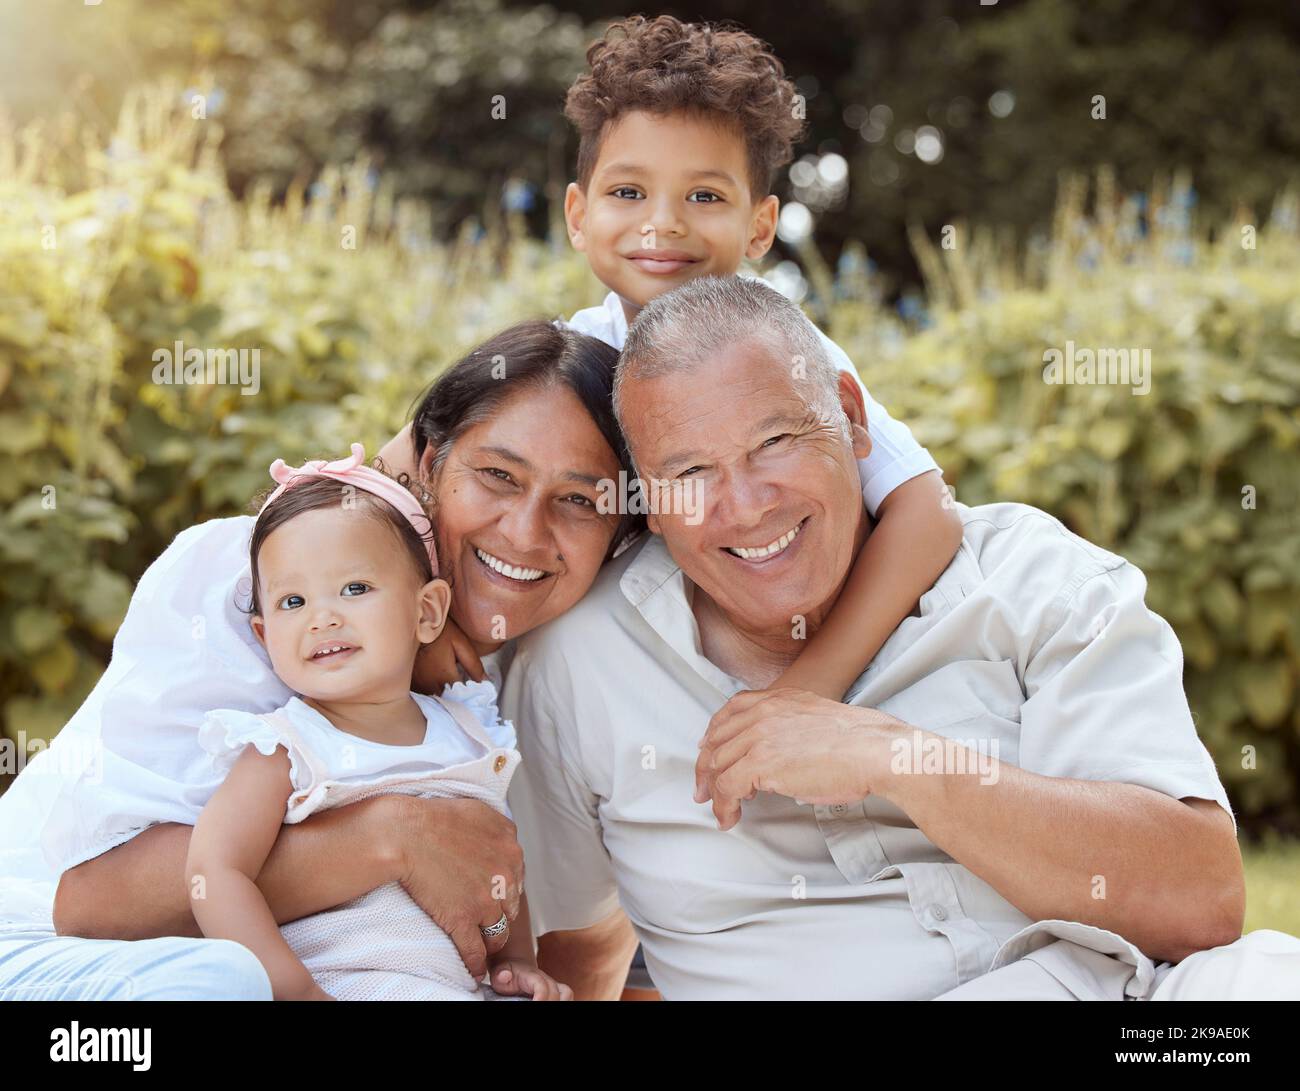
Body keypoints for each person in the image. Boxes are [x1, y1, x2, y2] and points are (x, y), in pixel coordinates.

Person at [502, 274, 1300, 1001]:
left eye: (775, 441)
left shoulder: (1030, 578)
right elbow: (577, 955)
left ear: (851, 418)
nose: (744, 507)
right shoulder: (579, 664)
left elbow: (1202, 897)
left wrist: (898, 759)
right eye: (689, 474)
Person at [0, 321, 631, 1000]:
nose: (525, 530)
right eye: (497, 475)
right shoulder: (254, 583)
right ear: (427, 460)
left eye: (578, 500)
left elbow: (577, 943)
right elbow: (92, 905)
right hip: (55, 958)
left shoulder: (518, 691)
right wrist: (393, 836)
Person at [556, 13, 965, 703]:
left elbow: (929, 514)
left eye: (705, 195)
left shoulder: (782, 355)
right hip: (613, 685)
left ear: (760, 226)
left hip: (763, 670)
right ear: (577, 215)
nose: (664, 222)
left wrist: (807, 691)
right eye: (629, 192)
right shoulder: (561, 359)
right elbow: (415, 469)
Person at [186, 444, 569, 1001]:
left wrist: (515, 963)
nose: (323, 617)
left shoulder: (468, 731)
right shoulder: (286, 746)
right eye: (293, 601)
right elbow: (214, 871)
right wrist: (291, 989)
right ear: (266, 637)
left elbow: (499, 860)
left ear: (427, 612)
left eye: (355, 589)